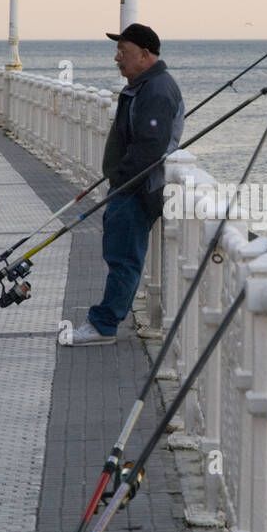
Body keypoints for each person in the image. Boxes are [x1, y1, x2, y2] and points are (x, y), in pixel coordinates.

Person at [70, 24, 184, 344]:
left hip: (137, 188)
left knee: (123, 257)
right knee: (120, 254)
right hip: (129, 185)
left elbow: (150, 146)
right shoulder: (144, 86)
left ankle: (103, 325)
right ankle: (105, 320)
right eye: (117, 51)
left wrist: (122, 183)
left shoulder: (157, 90)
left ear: (144, 55)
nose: (117, 58)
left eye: (124, 51)